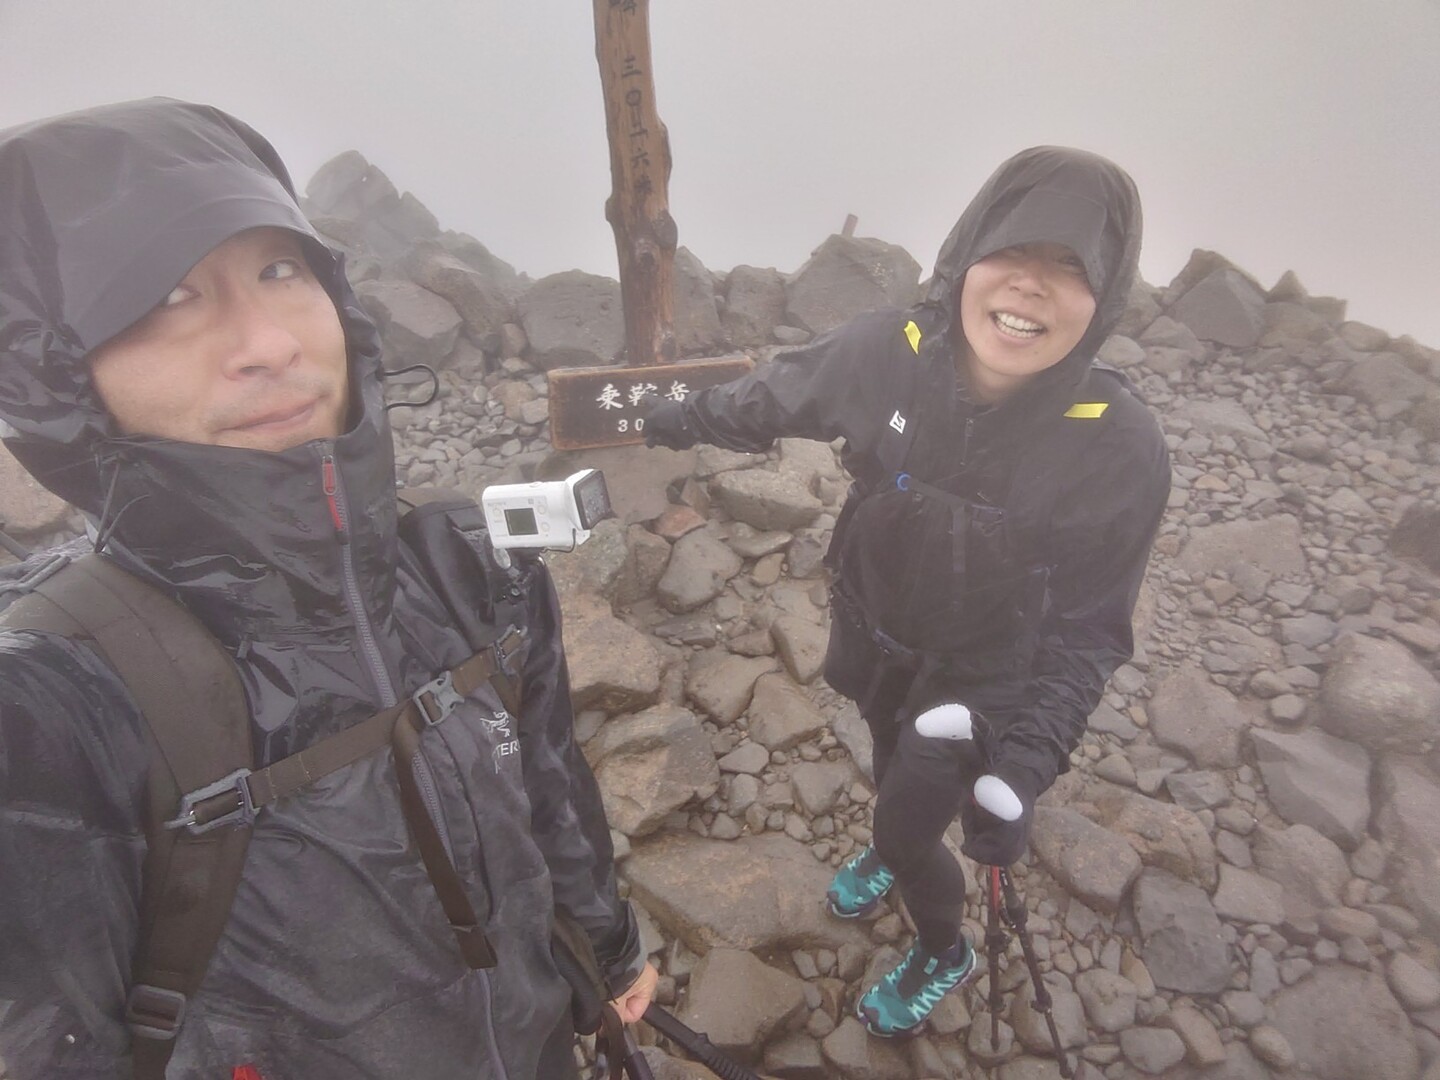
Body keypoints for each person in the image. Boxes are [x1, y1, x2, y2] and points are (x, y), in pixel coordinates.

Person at [0, 98, 656, 1078]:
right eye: (166, 296)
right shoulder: (56, 705)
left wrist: (605, 955)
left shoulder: (469, 565)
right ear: (58, 376)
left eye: (280, 268)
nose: (269, 342)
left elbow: (553, 794)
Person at [644, 146, 1170, 1037]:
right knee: (888, 760)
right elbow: (771, 399)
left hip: (979, 692)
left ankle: (941, 946)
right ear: (969, 254)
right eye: (1014, 250)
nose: (1032, 284)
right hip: (873, 633)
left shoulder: (1117, 442)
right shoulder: (888, 350)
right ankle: (897, 838)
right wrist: (671, 418)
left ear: (1105, 296)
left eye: (1071, 267)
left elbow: (1089, 633)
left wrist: (1024, 765)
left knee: (906, 826)